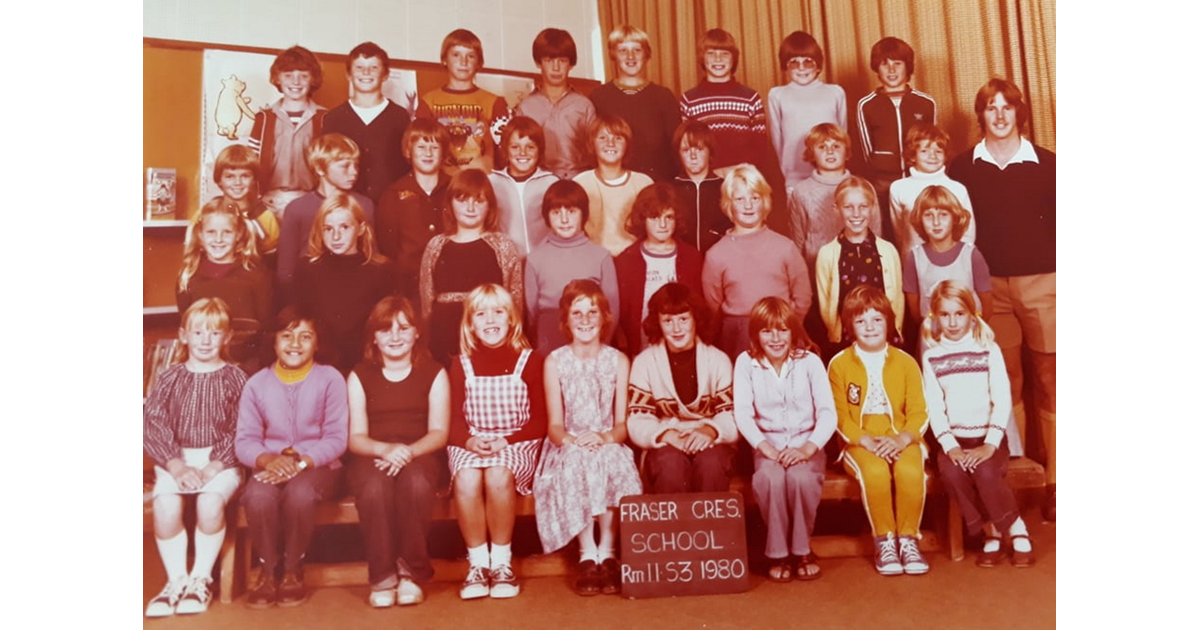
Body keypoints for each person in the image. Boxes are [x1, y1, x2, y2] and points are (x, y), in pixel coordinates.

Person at [946, 78, 1055, 520]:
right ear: (981, 115)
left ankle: (1057, 481)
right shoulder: (961, 168)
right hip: (989, 287)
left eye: (1007, 106)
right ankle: (1015, 477)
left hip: (1044, 282)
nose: (999, 114)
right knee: (1006, 381)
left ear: (1019, 113)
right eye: (990, 107)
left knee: (1051, 380)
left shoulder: (1048, 163)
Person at [534, 280, 642, 596]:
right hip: (568, 443)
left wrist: (605, 437)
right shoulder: (555, 361)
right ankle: (587, 553)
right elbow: (554, 426)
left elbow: (622, 425)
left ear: (604, 317)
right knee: (579, 461)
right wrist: (574, 440)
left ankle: (607, 552)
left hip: (607, 438)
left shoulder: (618, 361)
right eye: (576, 313)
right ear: (566, 320)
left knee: (612, 459)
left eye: (592, 312)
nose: (585, 320)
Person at [236, 306, 348, 608]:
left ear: (317, 342)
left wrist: (301, 462)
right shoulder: (256, 384)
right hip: (270, 465)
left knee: (300, 494)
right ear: (274, 342)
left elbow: (337, 437)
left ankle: (292, 568)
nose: (295, 344)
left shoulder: (330, 378)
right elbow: (244, 441)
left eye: (305, 336)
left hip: (319, 466)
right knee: (257, 496)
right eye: (287, 336)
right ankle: (268, 570)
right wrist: (266, 460)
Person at [144, 298, 248, 617]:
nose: (205, 340)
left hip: (222, 462)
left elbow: (241, 427)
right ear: (183, 335)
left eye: (215, 333)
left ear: (227, 337)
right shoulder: (168, 377)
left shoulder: (236, 377)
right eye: (198, 332)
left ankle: (201, 578)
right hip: (176, 460)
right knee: (165, 504)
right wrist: (176, 466)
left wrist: (214, 466)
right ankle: (176, 579)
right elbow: (153, 423)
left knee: (209, 503)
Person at [921, 280, 1033, 568]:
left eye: (959, 313)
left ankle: (1015, 527)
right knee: (953, 474)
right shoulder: (932, 356)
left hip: (989, 439)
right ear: (935, 316)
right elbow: (935, 408)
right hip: (955, 441)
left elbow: (1002, 400)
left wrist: (990, 444)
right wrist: (950, 447)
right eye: (945, 315)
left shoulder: (988, 349)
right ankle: (991, 530)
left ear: (972, 314)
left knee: (985, 473)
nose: (953, 322)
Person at [346, 296, 450, 607]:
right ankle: (382, 577)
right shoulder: (359, 375)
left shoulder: (434, 372)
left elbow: (439, 432)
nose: (395, 336)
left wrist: (408, 451)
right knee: (375, 487)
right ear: (373, 337)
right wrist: (386, 449)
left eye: (403, 328)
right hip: (373, 455)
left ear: (417, 333)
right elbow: (356, 438)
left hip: (420, 454)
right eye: (386, 329)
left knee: (415, 483)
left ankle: (410, 573)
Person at [446, 284, 547, 600]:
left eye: (498, 312)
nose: (490, 320)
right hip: (471, 441)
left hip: (517, 442)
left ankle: (502, 564)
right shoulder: (460, 363)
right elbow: (452, 421)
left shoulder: (530, 360)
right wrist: (469, 440)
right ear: (470, 324)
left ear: (512, 318)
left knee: (498, 475)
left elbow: (539, 421)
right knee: (466, 478)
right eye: (481, 313)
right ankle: (478, 565)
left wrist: (507, 440)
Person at [827, 285, 929, 576]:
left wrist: (902, 439)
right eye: (861, 321)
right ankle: (884, 539)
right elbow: (839, 416)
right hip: (860, 439)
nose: (870, 327)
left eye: (877, 319)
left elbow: (919, 412)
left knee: (910, 471)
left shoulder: (906, 361)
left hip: (900, 434)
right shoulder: (840, 364)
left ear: (889, 321)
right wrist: (865, 441)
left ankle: (908, 539)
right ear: (849, 326)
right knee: (875, 472)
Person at [732, 297, 834, 583]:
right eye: (766, 331)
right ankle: (777, 552)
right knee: (770, 479)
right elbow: (743, 414)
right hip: (768, 446)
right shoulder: (746, 363)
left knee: (801, 479)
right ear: (756, 334)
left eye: (782, 330)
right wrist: (767, 449)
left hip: (807, 443)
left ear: (793, 331)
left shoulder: (809, 361)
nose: (775, 338)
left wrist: (807, 448)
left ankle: (801, 550)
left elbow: (827, 413)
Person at [627, 283, 737, 494]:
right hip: (666, 444)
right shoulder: (645, 362)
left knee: (711, 463)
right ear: (658, 323)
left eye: (683, 319)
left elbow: (730, 416)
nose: (676, 329)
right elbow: (638, 420)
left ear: (696, 319)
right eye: (668, 321)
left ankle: (711, 528)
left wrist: (710, 430)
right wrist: (666, 435)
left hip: (711, 443)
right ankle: (676, 529)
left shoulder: (717, 360)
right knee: (671, 465)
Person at [702, 164, 811, 359]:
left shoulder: (785, 247)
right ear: (729, 205)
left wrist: (786, 324)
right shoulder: (716, 255)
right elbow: (714, 304)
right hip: (737, 335)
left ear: (765, 201)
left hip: (781, 329)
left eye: (755, 198)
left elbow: (802, 296)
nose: (748, 205)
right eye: (740, 199)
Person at [419, 169, 523, 366]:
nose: (470, 208)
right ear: (450, 203)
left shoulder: (502, 245)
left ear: (490, 206)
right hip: (445, 337)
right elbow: (427, 303)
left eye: (479, 201)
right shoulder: (436, 246)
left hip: (489, 335)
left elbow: (515, 300)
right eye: (462, 200)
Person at [293, 193, 396, 374]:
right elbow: (301, 320)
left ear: (361, 229)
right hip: (319, 366)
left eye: (345, 227)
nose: (336, 236)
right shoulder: (307, 269)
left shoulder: (381, 270)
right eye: (328, 229)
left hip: (368, 365)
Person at [176, 199, 272, 370]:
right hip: (202, 366)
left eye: (227, 232)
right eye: (211, 232)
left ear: (239, 234)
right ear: (200, 235)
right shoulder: (189, 276)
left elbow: (266, 327)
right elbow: (187, 324)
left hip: (247, 366)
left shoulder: (257, 275)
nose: (218, 239)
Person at [276, 133, 376, 297]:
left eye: (356, 165)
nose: (354, 172)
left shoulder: (364, 205)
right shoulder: (297, 209)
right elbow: (285, 272)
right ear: (320, 169)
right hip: (310, 295)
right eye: (345, 166)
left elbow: (372, 257)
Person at [524, 179, 619, 351]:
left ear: (584, 214)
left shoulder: (601, 256)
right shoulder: (534, 259)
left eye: (571, 211)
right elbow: (532, 315)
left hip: (592, 340)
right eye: (556, 212)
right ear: (546, 216)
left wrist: (601, 348)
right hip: (549, 340)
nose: (564, 219)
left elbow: (611, 312)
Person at [856, 36, 937, 234]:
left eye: (897, 64)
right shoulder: (866, 105)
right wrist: (882, 166)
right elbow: (866, 151)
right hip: (883, 183)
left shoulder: (925, 103)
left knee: (919, 231)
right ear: (876, 68)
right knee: (886, 232)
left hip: (918, 178)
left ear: (907, 67)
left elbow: (933, 143)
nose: (891, 70)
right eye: (885, 64)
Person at [614, 183, 704, 356]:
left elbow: (699, 309)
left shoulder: (691, 257)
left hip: (684, 348)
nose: (663, 224)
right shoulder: (627, 260)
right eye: (655, 217)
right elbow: (623, 312)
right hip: (641, 349)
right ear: (642, 219)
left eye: (669, 217)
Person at [815, 177, 902, 349]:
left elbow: (898, 299)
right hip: (844, 341)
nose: (856, 214)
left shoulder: (888, 250)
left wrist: (893, 332)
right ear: (836, 209)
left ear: (873, 208)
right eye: (848, 207)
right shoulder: (827, 254)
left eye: (863, 206)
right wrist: (835, 333)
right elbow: (825, 303)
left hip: (883, 338)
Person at [588, 25, 681, 182]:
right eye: (623, 50)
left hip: (656, 185)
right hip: (612, 186)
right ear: (613, 55)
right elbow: (591, 149)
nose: (630, 56)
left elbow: (677, 149)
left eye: (637, 50)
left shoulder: (664, 97)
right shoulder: (598, 97)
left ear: (646, 54)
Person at [323, 42, 412, 205]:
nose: (366, 72)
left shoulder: (400, 117)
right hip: (346, 207)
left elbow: (408, 166)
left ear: (385, 75)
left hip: (391, 204)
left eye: (373, 67)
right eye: (359, 67)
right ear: (348, 75)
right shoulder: (333, 119)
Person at [375, 118, 452, 301]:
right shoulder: (393, 194)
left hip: (449, 279)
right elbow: (388, 248)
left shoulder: (455, 189)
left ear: (443, 153)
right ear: (409, 151)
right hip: (410, 284)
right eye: (421, 147)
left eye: (434, 148)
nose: (428, 153)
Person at [415, 29, 510, 174]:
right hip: (441, 186)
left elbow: (506, 153)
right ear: (444, 59)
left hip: (481, 184)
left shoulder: (495, 103)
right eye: (456, 55)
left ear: (479, 62)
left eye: (471, 56)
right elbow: (418, 151)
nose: (463, 62)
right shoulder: (429, 102)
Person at [678, 29, 771, 175]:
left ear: (734, 59)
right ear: (702, 58)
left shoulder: (750, 98)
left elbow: (760, 148)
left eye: (724, 54)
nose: (718, 59)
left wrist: (740, 174)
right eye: (711, 53)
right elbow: (687, 148)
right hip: (706, 179)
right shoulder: (689, 100)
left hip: (741, 180)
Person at [902, 185, 992, 326]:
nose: (936, 222)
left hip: (969, 336)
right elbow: (915, 312)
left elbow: (987, 306)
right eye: (928, 216)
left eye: (943, 215)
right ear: (920, 220)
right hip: (932, 339)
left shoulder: (971, 255)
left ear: (954, 218)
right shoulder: (914, 257)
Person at [768, 31, 847, 188]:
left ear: (818, 65)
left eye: (808, 62)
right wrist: (787, 171)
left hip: (831, 172)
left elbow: (842, 134)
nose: (802, 68)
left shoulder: (835, 92)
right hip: (794, 175)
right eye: (794, 63)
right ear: (785, 67)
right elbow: (777, 139)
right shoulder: (777, 95)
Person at [515, 28, 596, 180]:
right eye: (549, 61)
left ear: (571, 64)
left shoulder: (584, 105)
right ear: (538, 63)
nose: (556, 68)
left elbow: (595, 151)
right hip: (538, 181)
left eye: (563, 61)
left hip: (578, 180)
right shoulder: (526, 107)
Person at [888, 123, 975, 258]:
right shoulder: (899, 188)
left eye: (938, 151)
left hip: (952, 260)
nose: (932, 156)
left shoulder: (957, 188)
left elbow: (968, 231)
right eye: (924, 151)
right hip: (914, 260)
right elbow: (900, 231)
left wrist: (958, 259)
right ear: (912, 155)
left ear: (945, 156)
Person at [249, 45, 327, 195]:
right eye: (288, 75)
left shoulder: (325, 118)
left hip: (311, 199)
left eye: (303, 76)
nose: (296, 82)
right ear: (277, 78)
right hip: (269, 200)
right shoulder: (264, 119)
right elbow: (250, 165)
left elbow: (332, 164)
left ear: (313, 78)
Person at [572, 113, 653, 256]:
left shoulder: (643, 182)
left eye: (618, 138)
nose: (610, 143)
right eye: (603, 138)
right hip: (594, 258)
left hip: (634, 258)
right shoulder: (581, 182)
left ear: (627, 145)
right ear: (592, 144)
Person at [787, 123, 861, 269]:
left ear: (846, 152)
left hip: (859, 266)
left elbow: (876, 234)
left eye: (836, 146)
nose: (830, 151)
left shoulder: (862, 188)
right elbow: (798, 240)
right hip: (817, 268)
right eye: (822, 147)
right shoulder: (801, 192)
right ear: (811, 153)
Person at [488, 116, 559, 257]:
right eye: (515, 147)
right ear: (505, 149)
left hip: (545, 259)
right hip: (506, 260)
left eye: (530, 147)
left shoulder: (551, 183)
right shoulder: (492, 183)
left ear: (540, 151)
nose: (522, 153)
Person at [669, 121, 731, 254]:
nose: (693, 157)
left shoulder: (725, 188)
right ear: (678, 154)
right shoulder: (670, 190)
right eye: (686, 150)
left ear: (710, 151)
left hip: (716, 262)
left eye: (699, 149)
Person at [210, 144, 280, 255]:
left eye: (245, 176)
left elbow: (270, 262)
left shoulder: (265, 217)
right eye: (230, 176)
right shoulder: (206, 214)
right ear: (219, 180)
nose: (238, 182)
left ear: (254, 179)